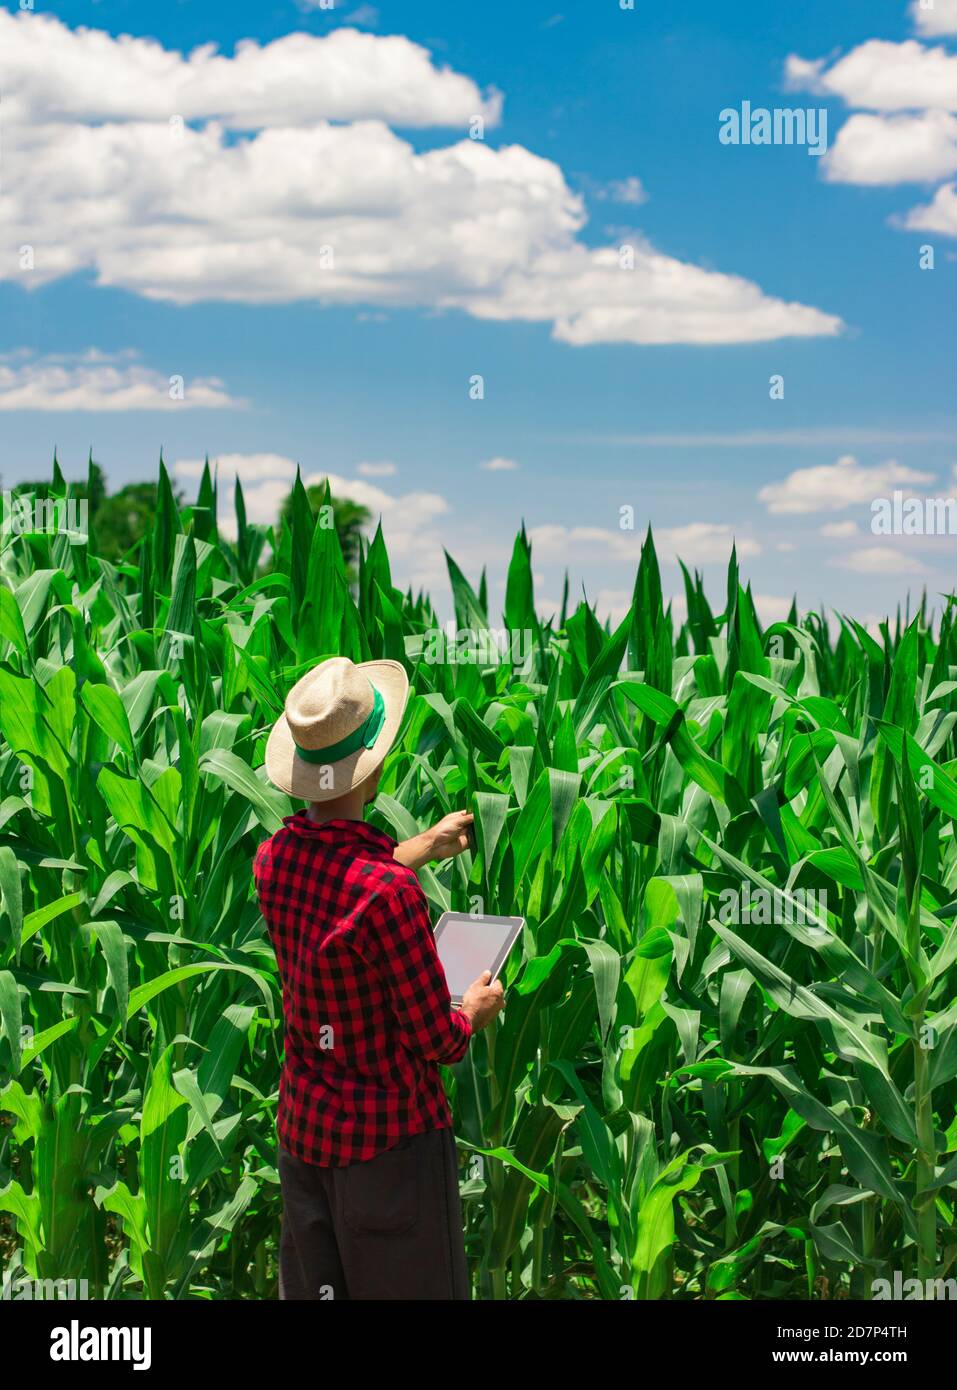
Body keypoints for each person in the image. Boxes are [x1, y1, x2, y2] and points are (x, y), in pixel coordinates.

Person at [254, 655, 505, 1300]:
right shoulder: (389, 896)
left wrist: (422, 845)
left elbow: (337, 882)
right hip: (388, 1156)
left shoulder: (273, 861)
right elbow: (437, 1040)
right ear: (374, 768)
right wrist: (474, 1006)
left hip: (306, 1143)